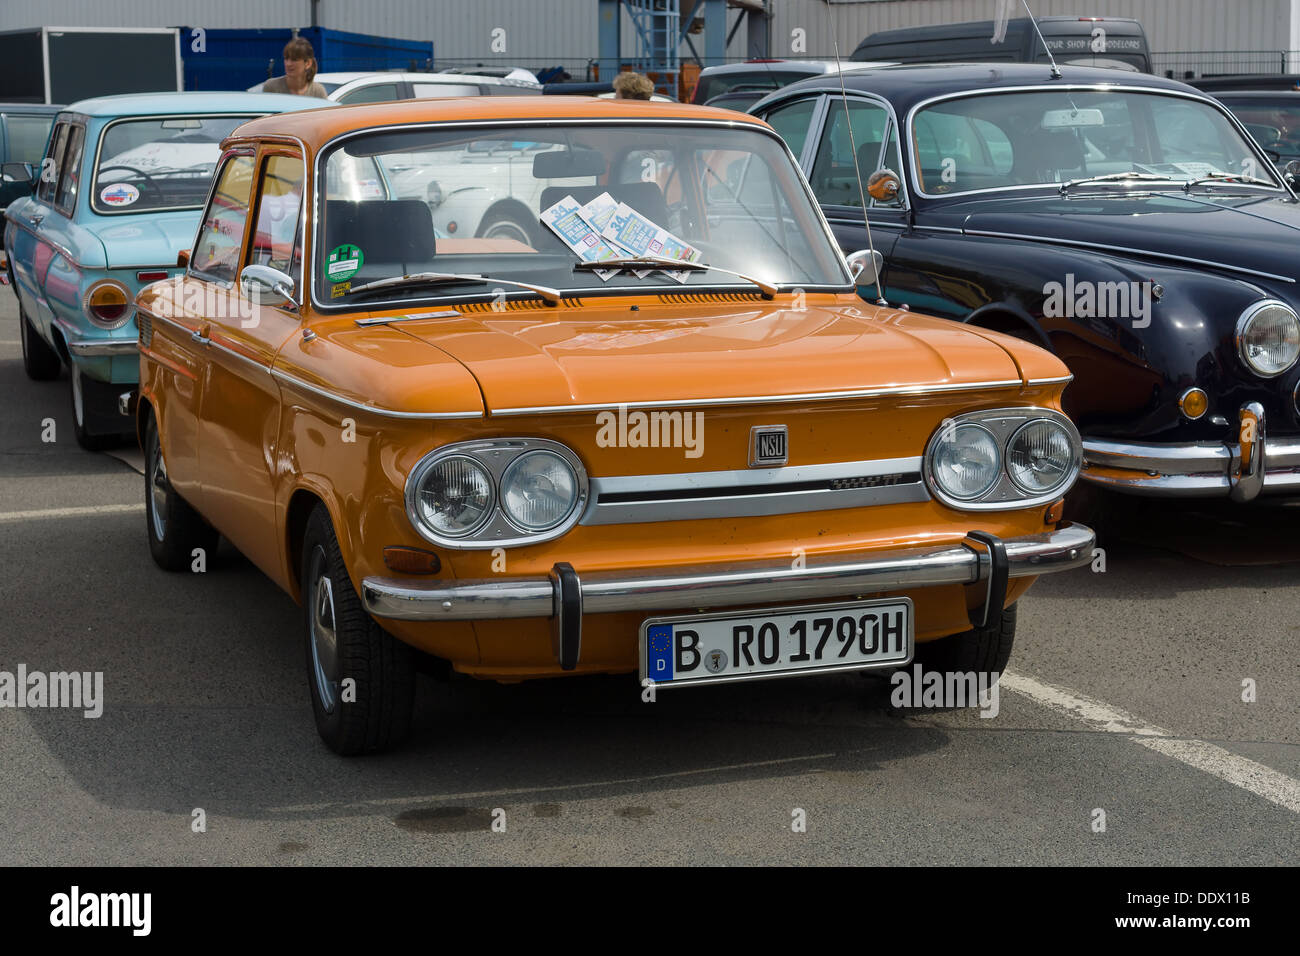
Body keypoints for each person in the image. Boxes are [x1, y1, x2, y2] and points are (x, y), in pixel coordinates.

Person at [262, 37, 329, 98]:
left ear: (308, 63)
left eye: (294, 59)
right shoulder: (272, 87)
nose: (288, 64)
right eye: (286, 58)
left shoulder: (318, 92)